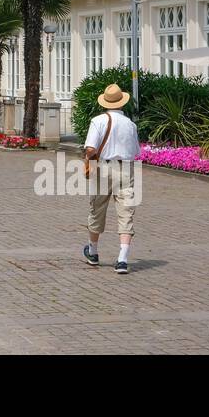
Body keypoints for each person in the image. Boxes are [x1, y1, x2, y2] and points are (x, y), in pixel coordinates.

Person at [81, 83, 141, 275]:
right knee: (126, 213)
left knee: (97, 209)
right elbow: (136, 152)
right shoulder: (131, 124)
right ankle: (122, 259)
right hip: (126, 170)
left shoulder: (98, 121)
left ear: (105, 102)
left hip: (103, 169)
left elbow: (90, 148)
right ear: (121, 102)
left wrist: (89, 155)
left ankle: (93, 252)